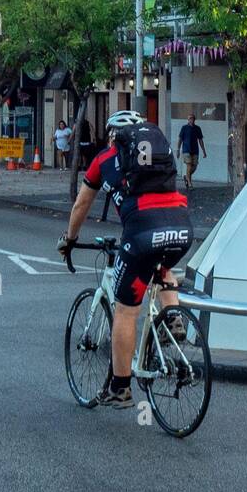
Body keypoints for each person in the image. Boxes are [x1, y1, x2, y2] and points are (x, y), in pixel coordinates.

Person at [57, 110, 192, 408]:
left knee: (126, 311)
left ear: (113, 134)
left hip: (143, 231)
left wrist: (70, 239)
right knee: (162, 266)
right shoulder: (156, 156)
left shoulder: (104, 159)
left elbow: (81, 204)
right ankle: (173, 320)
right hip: (181, 227)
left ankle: (119, 388)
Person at [176, 113, 207, 191]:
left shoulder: (197, 128)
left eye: (192, 118)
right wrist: (178, 150)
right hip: (186, 149)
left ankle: (186, 177)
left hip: (195, 149)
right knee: (189, 165)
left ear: (194, 119)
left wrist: (204, 150)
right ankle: (190, 183)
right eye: (189, 118)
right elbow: (180, 139)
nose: (191, 120)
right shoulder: (184, 128)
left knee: (194, 166)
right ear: (188, 120)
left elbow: (200, 140)